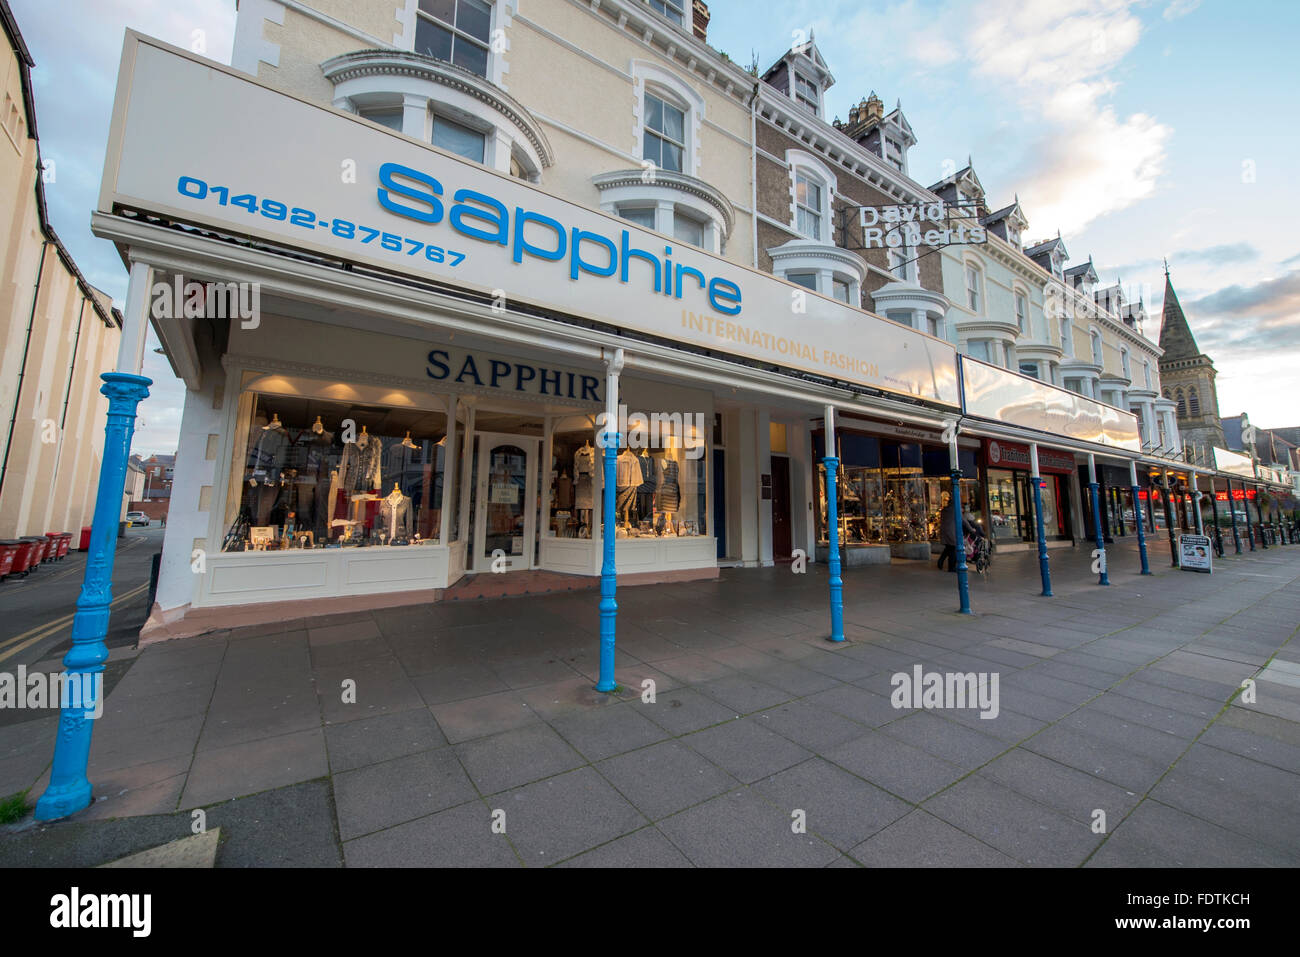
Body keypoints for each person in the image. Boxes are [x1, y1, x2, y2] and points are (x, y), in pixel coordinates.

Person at [937, 495, 982, 572]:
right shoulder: (956, 510)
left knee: (948, 548)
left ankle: (940, 561)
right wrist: (971, 530)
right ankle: (951, 567)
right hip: (952, 532)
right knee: (953, 549)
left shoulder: (944, 510)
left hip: (944, 531)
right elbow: (964, 521)